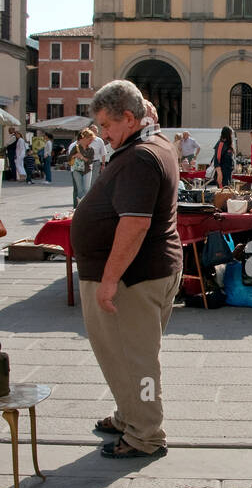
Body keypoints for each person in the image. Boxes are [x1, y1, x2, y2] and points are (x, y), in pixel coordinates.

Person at [71, 81, 181, 461]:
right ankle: (129, 415)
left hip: (132, 279)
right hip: (148, 271)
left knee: (137, 361)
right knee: (126, 356)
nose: (103, 134)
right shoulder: (155, 143)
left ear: (130, 118)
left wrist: (109, 280)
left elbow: (133, 225)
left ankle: (145, 434)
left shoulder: (138, 157)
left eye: (106, 125)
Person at [70, 129, 95, 207]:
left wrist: (82, 158)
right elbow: (68, 158)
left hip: (87, 170)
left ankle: (85, 207)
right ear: (84, 138)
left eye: (92, 140)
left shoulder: (91, 149)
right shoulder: (75, 148)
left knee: (87, 190)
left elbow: (91, 161)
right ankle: (80, 208)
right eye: (90, 139)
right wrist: (74, 156)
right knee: (80, 190)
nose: (91, 141)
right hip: (77, 170)